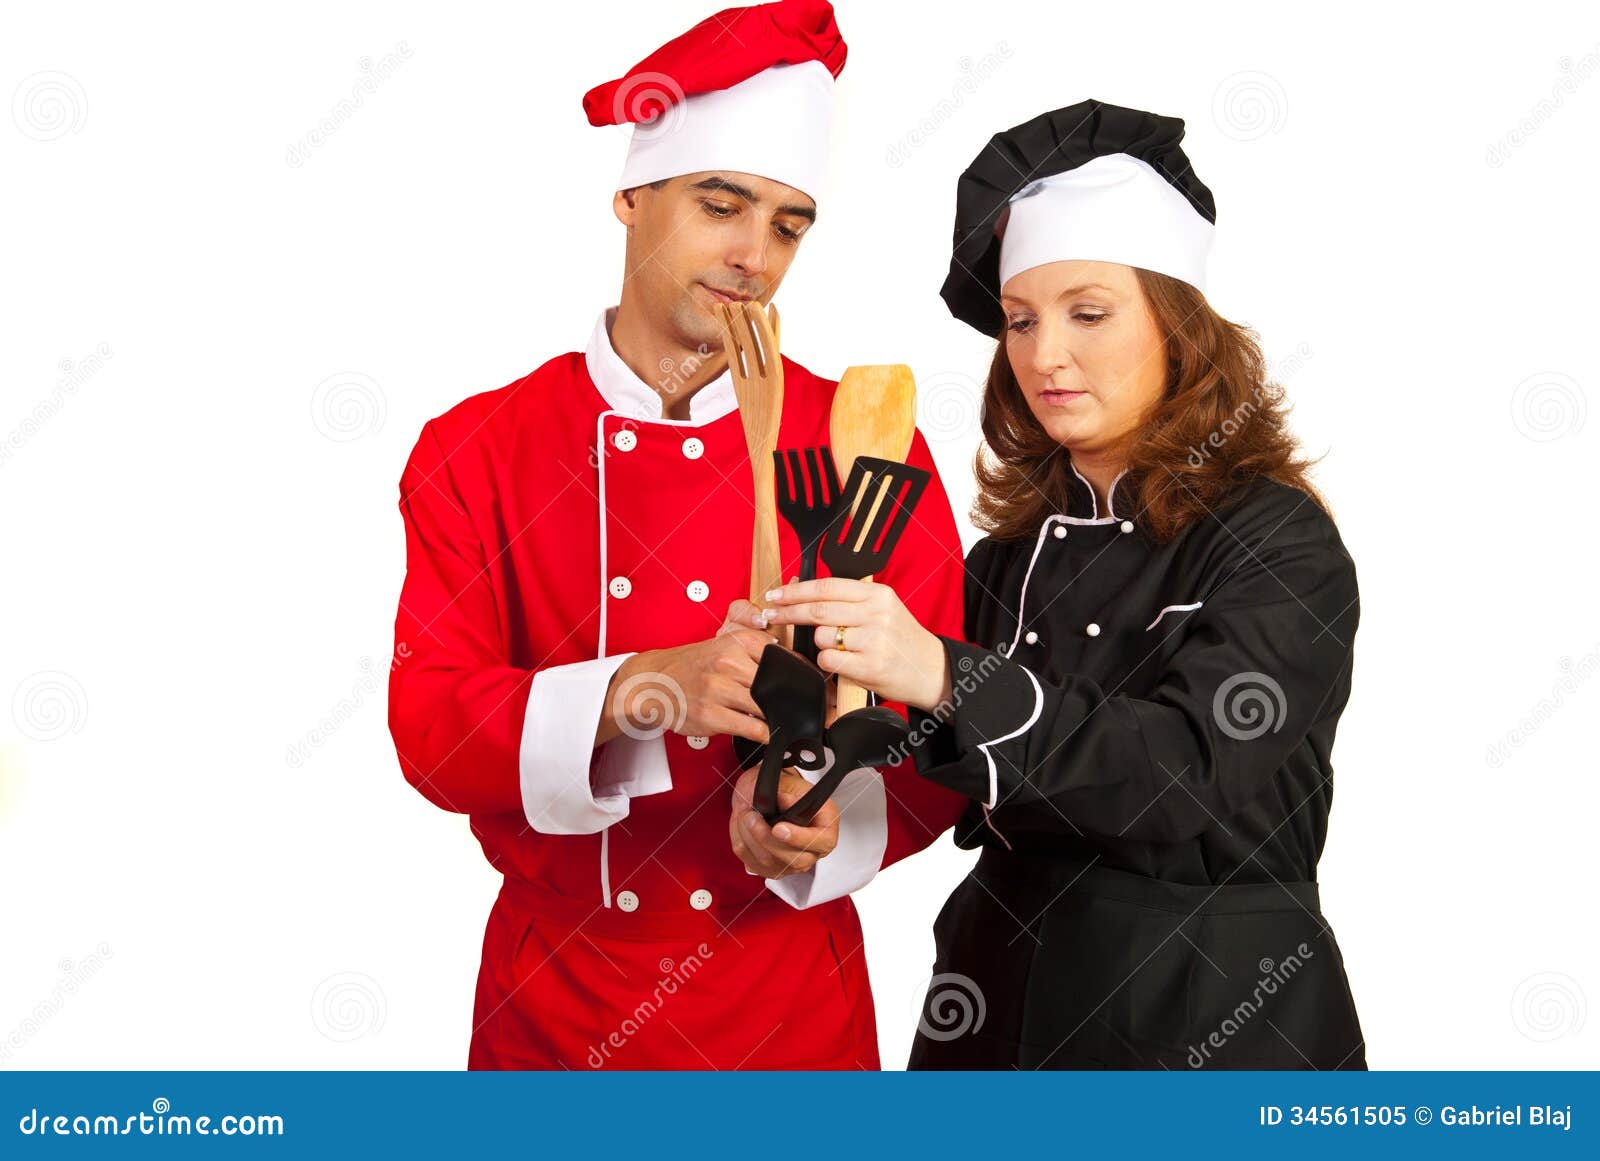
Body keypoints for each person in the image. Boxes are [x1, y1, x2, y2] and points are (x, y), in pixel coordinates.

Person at [387, 0, 967, 1070]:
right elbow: (430, 725)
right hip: (554, 1005)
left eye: (788, 224)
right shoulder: (478, 447)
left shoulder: (862, 441)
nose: (754, 255)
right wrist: (644, 684)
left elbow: (937, 732)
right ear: (630, 196)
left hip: (789, 1008)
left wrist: (824, 821)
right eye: (720, 204)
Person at [738, 99, 1366, 1069]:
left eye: (1088, 312)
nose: (1043, 354)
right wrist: (808, 782)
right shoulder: (1002, 559)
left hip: (1211, 999)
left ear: (1178, 325)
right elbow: (927, 775)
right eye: (1020, 321)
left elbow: (1187, 772)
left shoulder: (1278, 542)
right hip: (993, 989)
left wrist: (945, 671)